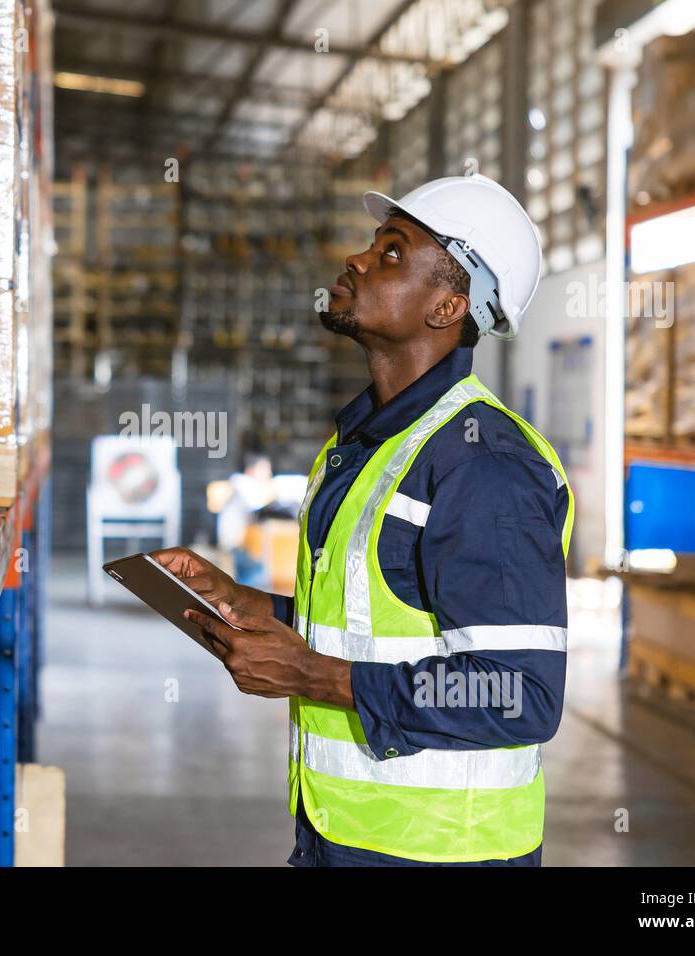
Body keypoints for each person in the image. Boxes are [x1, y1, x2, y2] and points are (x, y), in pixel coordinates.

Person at [154, 174, 573, 867]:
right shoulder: (365, 445)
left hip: (442, 855)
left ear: (447, 305)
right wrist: (247, 605)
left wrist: (314, 677)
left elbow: (518, 691)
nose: (356, 260)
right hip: (336, 839)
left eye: (392, 253)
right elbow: (376, 626)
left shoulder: (484, 466)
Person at [216, 451, 273, 589]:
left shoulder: (241, 486)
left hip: (235, 545)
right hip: (231, 546)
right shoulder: (245, 485)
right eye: (265, 469)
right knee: (259, 571)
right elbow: (260, 509)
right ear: (252, 470)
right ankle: (234, 595)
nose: (269, 474)